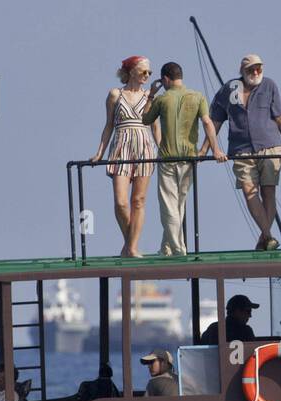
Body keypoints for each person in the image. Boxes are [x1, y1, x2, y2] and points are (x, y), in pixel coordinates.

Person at [209, 54, 281, 250]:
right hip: (241, 150)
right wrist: (206, 149)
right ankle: (268, 235)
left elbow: (280, 118)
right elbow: (215, 121)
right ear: (242, 72)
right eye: (251, 69)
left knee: (269, 192)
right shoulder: (229, 88)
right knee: (249, 192)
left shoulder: (269, 85)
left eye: (259, 68)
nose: (256, 72)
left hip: (270, 147)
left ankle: (264, 238)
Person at [143, 62, 227, 257]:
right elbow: (207, 123)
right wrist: (215, 150)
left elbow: (145, 119)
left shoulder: (162, 99)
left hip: (168, 159)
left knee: (169, 206)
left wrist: (151, 95)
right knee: (179, 205)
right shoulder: (198, 97)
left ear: (165, 79)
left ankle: (179, 249)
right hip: (190, 159)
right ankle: (167, 247)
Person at [91, 56, 161, 257]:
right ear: (131, 72)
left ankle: (131, 247)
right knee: (121, 202)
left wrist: (163, 150)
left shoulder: (150, 96)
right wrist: (99, 153)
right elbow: (108, 126)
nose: (147, 76)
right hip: (121, 146)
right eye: (144, 71)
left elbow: (155, 127)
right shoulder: (115, 94)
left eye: (149, 72)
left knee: (138, 200)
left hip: (144, 146)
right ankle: (131, 243)